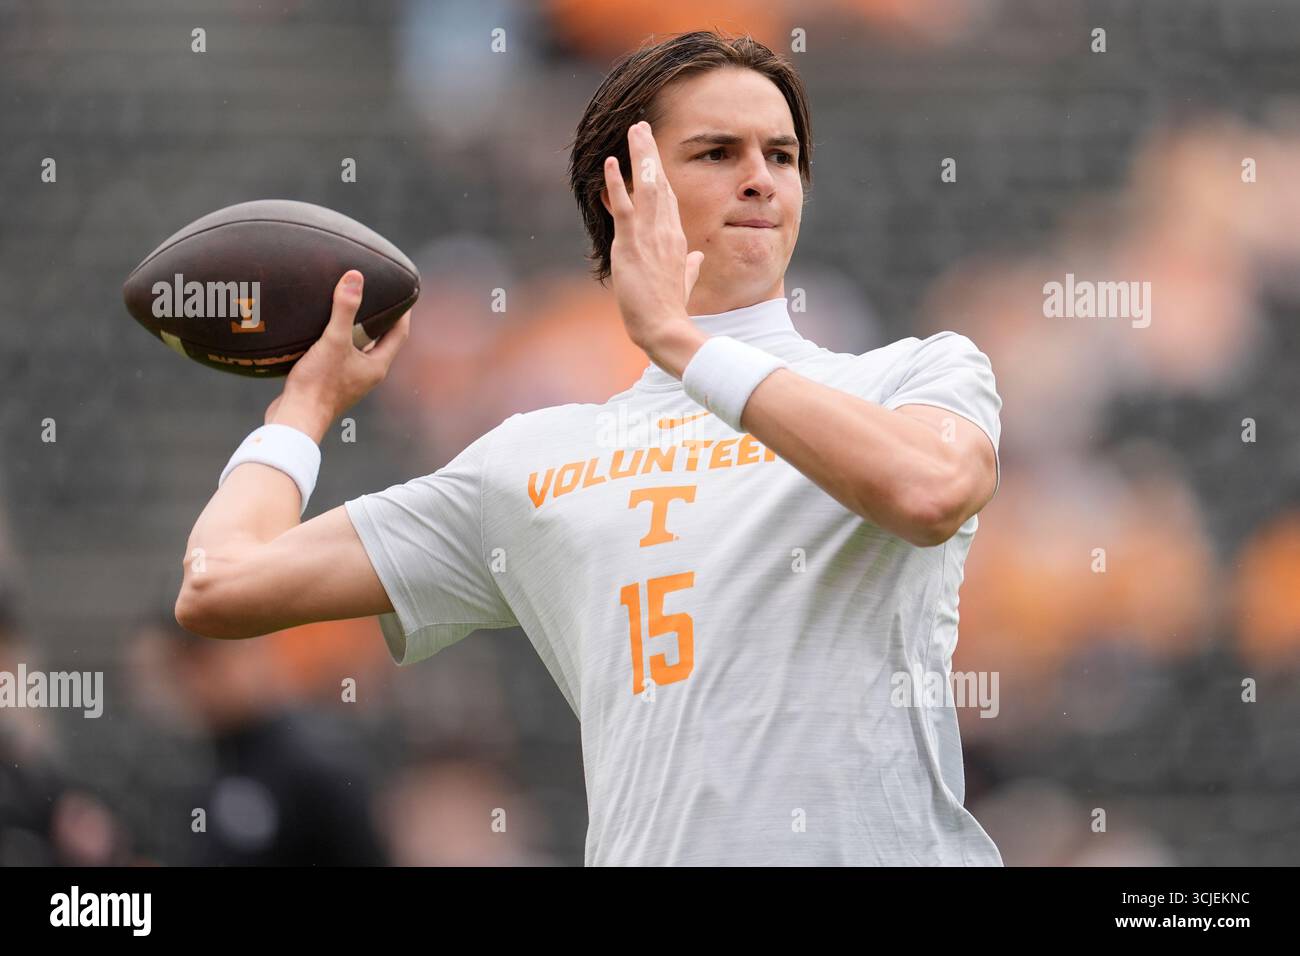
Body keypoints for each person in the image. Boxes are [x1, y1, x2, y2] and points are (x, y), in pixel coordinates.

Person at [176, 30, 1003, 865]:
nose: (761, 176)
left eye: (782, 155)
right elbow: (220, 586)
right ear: (623, 192)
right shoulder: (533, 458)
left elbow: (929, 492)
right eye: (717, 151)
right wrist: (305, 406)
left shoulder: (916, 375)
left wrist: (680, 342)